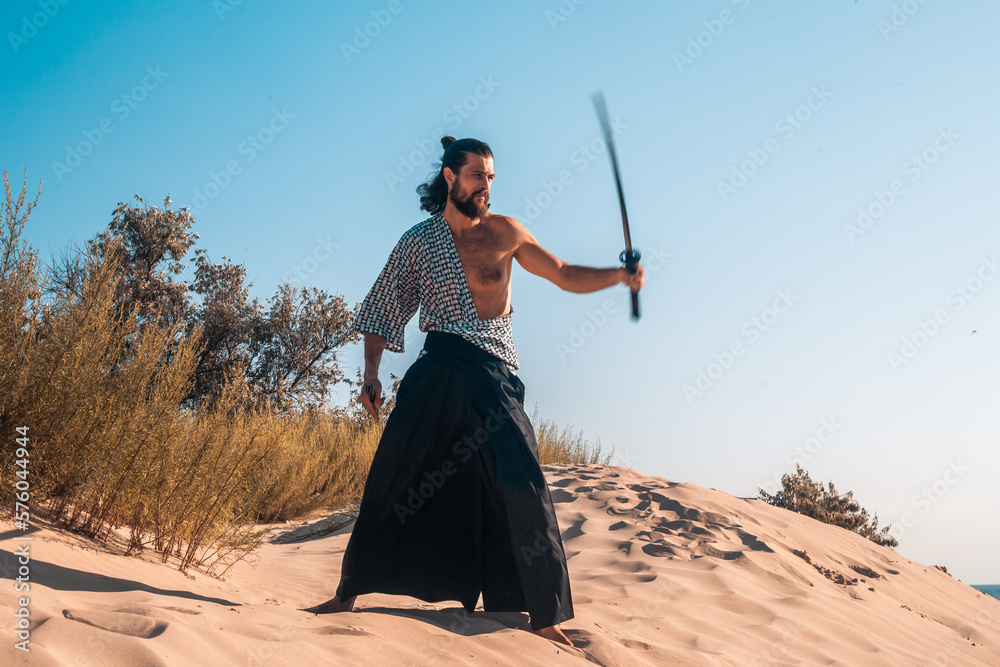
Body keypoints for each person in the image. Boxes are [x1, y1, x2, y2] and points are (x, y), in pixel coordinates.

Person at [303, 136, 645, 647]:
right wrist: (370, 373)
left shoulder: (506, 232)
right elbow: (383, 308)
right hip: (438, 365)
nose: (486, 185)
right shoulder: (419, 241)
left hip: (491, 372)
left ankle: (544, 614)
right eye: (477, 175)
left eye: (491, 177)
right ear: (450, 177)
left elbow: (564, 273)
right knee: (393, 474)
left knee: (523, 484)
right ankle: (348, 592)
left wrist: (619, 276)